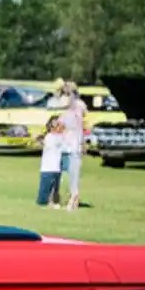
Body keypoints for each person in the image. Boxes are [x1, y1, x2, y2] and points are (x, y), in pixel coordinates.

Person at [60, 82, 88, 210]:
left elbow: (81, 124)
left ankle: (74, 196)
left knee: (74, 171)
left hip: (75, 141)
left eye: (68, 93)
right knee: (66, 171)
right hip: (65, 142)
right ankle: (71, 194)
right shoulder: (64, 108)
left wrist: (83, 143)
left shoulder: (79, 106)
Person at [36, 117, 65, 208]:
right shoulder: (51, 137)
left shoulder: (59, 137)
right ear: (52, 127)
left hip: (56, 167)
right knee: (48, 189)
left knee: (55, 188)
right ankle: (50, 203)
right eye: (57, 125)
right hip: (49, 167)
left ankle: (54, 202)